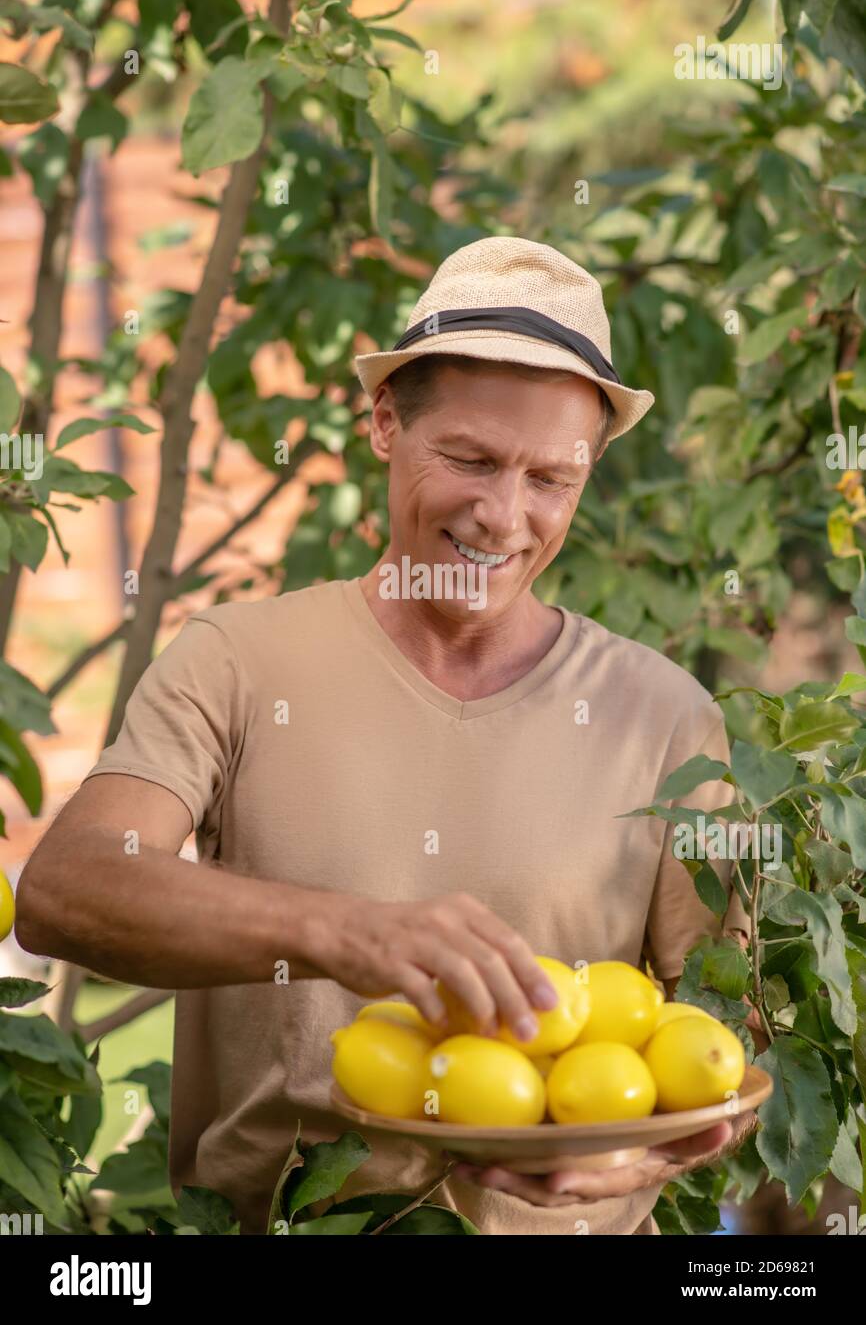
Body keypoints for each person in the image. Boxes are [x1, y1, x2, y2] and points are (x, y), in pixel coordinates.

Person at [16, 236, 757, 1236]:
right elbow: (65, 890)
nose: (503, 515)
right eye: (469, 459)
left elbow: (721, 1024)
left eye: (550, 477)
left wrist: (640, 1141)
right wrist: (343, 931)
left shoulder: (667, 718)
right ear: (381, 421)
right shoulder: (238, 659)